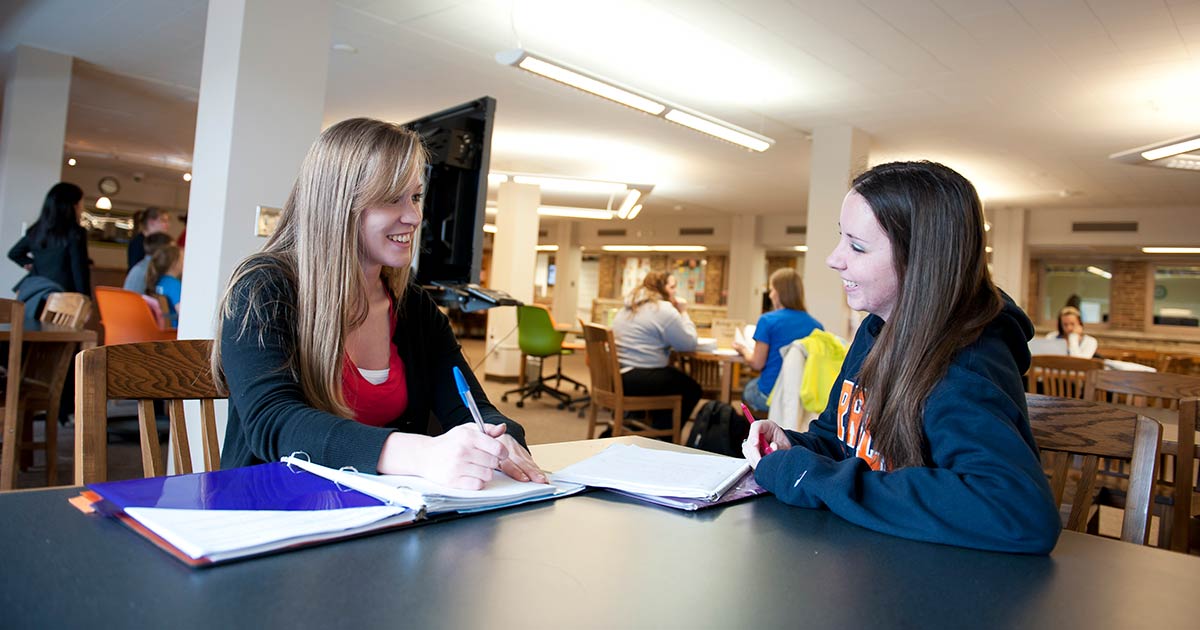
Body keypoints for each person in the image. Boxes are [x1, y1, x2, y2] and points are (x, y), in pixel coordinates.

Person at [743, 161, 1061, 554]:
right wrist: (795, 446)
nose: (834, 258)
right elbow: (839, 438)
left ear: (921, 261)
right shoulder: (875, 329)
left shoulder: (967, 363)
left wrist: (809, 475)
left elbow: (1019, 512)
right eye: (842, 238)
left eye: (857, 246)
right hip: (864, 557)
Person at [211, 117, 545, 490]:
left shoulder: (414, 308)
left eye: (415, 197)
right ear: (338, 204)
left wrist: (500, 440)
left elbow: (468, 407)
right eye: (391, 199)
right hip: (273, 513)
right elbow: (274, 420)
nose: (414, 216)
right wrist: (421, 454)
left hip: (383, 515)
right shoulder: (262, 289)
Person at [610, 271, 702, 431]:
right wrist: (683, 311)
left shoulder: (628, 306)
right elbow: (689, 344)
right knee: (691, 389)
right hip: (638, 379)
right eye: (672, 287)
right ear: (661, 288)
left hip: (618, 376)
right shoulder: (663, 309)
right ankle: (663, 435)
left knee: (671, 378)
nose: (675, 291)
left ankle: (652, 428)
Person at [734, 268, 823, 412]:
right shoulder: (816, 326)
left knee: (748, 390)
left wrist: (743, 350)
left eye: (772, 290)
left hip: (770, 394)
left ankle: (755, 432)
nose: (770, 295)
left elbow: (757, 363)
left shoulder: (767, 320)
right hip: (801, 396)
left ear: (779, 293)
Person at [7, 182, 91, 295]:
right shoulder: (75, 233)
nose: (82, 208)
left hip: (35, 291)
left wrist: (35, 264)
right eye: (80, 203)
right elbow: (79, 271)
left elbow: (14, 253)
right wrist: (85, 299)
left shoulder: (36, 231)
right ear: (72, 205)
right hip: (61, 295)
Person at [146, 244, 183, 327]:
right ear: (175, 263)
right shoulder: (174, 285)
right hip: (174, 330)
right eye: (182, 258)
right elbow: (183, 315)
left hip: (160, 328)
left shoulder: (158, 281)